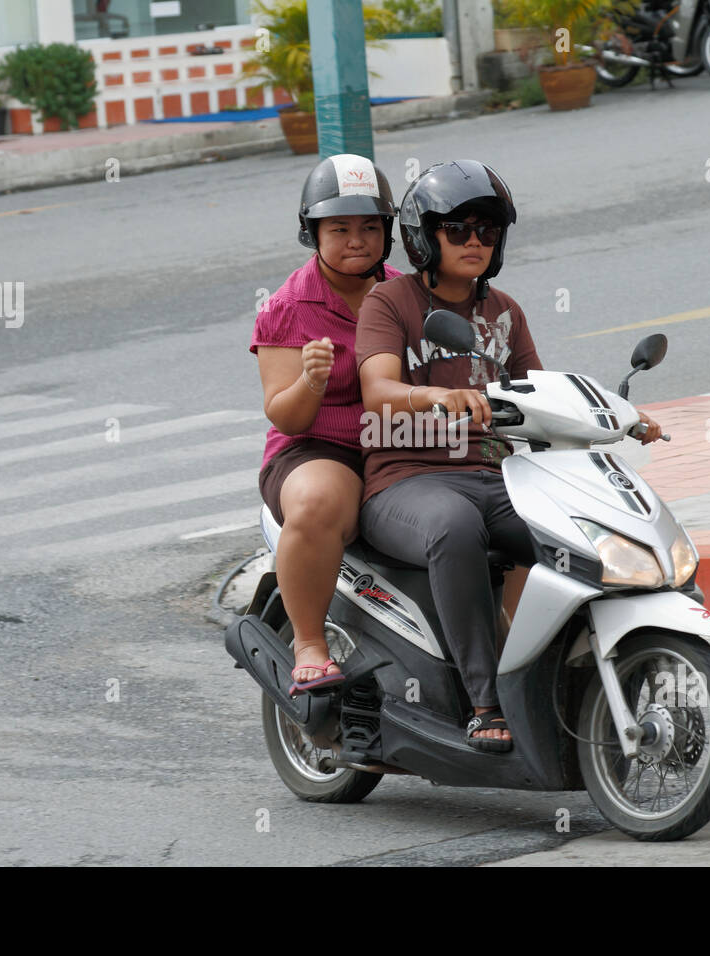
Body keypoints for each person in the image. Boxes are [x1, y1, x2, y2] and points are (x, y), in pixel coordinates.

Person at [355, 160, 662, 752]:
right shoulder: (389, 303)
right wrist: (437, 396)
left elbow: (541, 392)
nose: (475, 241)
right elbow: (379, 392)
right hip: (404, 481)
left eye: (488, 231)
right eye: (459, 229)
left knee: (584, 533)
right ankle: (482, 701)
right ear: (425, 235)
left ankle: (582, 679)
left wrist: (622, 417)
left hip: (494, 476)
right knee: (453, 525)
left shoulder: (505, 311)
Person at [250, 154, 401, 697]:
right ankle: (309, 643)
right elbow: (284, 415)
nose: (357, 240)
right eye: (339, 228)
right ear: (312, 233)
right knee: (317, 502)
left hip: (403, 445)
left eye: (370, 227)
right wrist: (311, 382)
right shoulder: (289, 306)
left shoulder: (409, 294)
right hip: (317, 449)